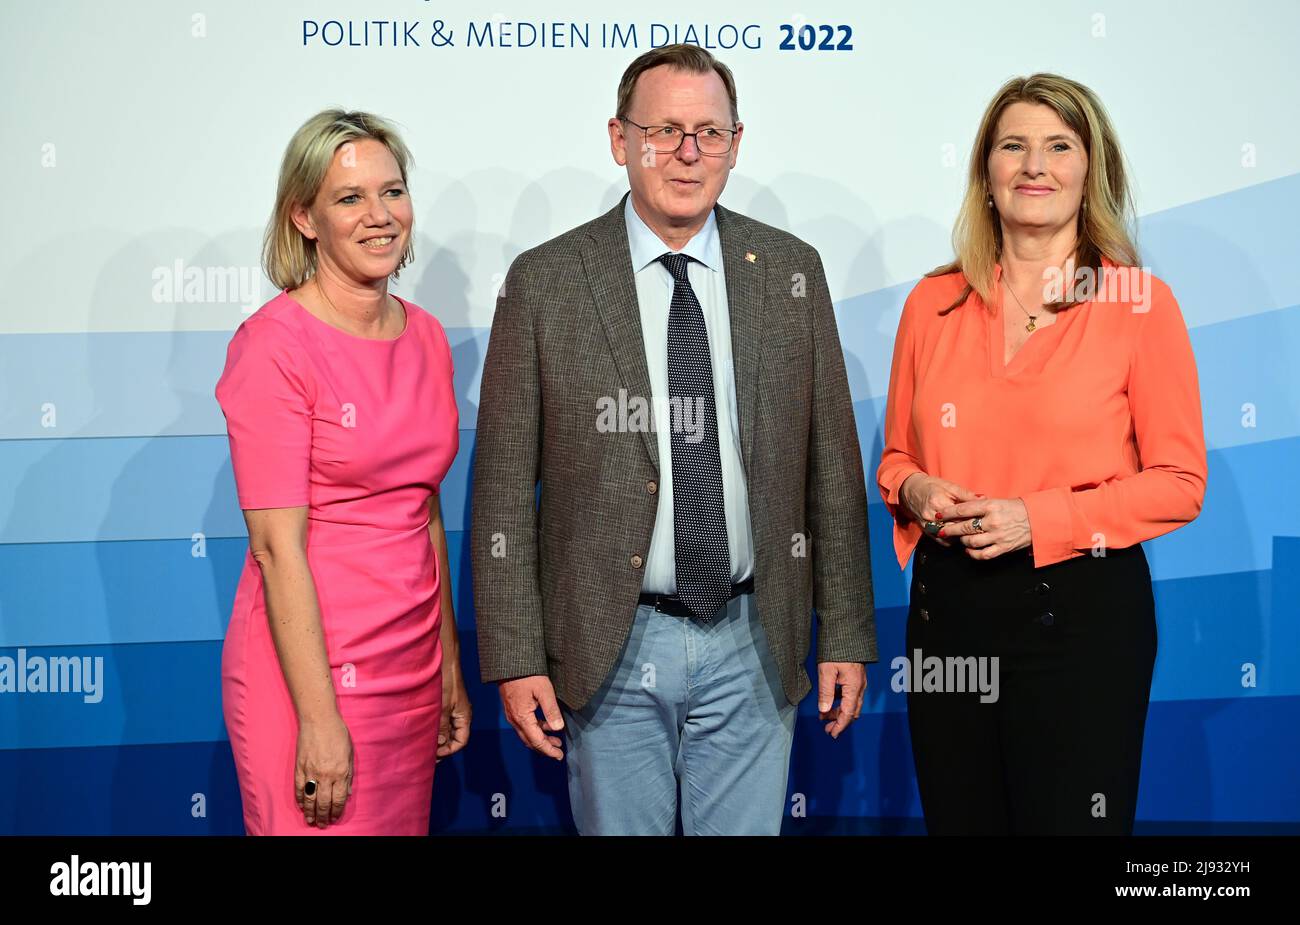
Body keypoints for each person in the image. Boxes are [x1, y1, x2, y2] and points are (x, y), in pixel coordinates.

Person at [471, 44, 876, 835]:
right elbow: (503, 488)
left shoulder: (792, 271)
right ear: (620, 140)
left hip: (756, 641)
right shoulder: (546, 281)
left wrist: (851, 630)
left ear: (736, 142)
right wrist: (517, 656)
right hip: (608, 650)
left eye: (709, 133)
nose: (687, 154)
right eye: (662, 131)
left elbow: (831, 464)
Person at [877, 74, 1207, 834]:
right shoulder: (931, 302)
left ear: (1090, 170)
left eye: (1059, 146)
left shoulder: (1139, 305)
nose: (1036, 165)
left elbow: (1180, 483)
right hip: (948, 614)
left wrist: (1038, 517)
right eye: (1014, 146)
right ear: (986, 171)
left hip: (1081, 618)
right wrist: (917, 488)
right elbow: (895, 457)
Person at [215, 109, 470, 834]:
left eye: (392, 192)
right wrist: (319, 718)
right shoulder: (273, 346)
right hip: (310, 677)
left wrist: (447, 659)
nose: (380, 215)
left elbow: (423, 513)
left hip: (412, 670)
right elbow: (275, 547)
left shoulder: (425, 335)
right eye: (350, 198)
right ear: (304, 217)